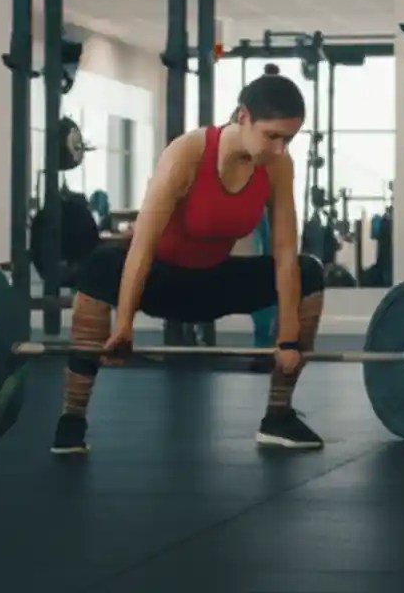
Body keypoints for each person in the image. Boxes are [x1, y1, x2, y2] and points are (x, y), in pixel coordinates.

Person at [50, 73, 327, 454]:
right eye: (272, 136)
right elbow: (142, 248)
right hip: (160, 281)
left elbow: (284, 252)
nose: (280, 149)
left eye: (288, 139)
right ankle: (72, 419)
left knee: (309, 270)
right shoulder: (187, 153)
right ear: (243, 117)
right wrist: (124, 324)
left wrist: (288, 339)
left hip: (211, 283)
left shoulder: (278, 165)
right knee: (100, 263)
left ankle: (278, 417)